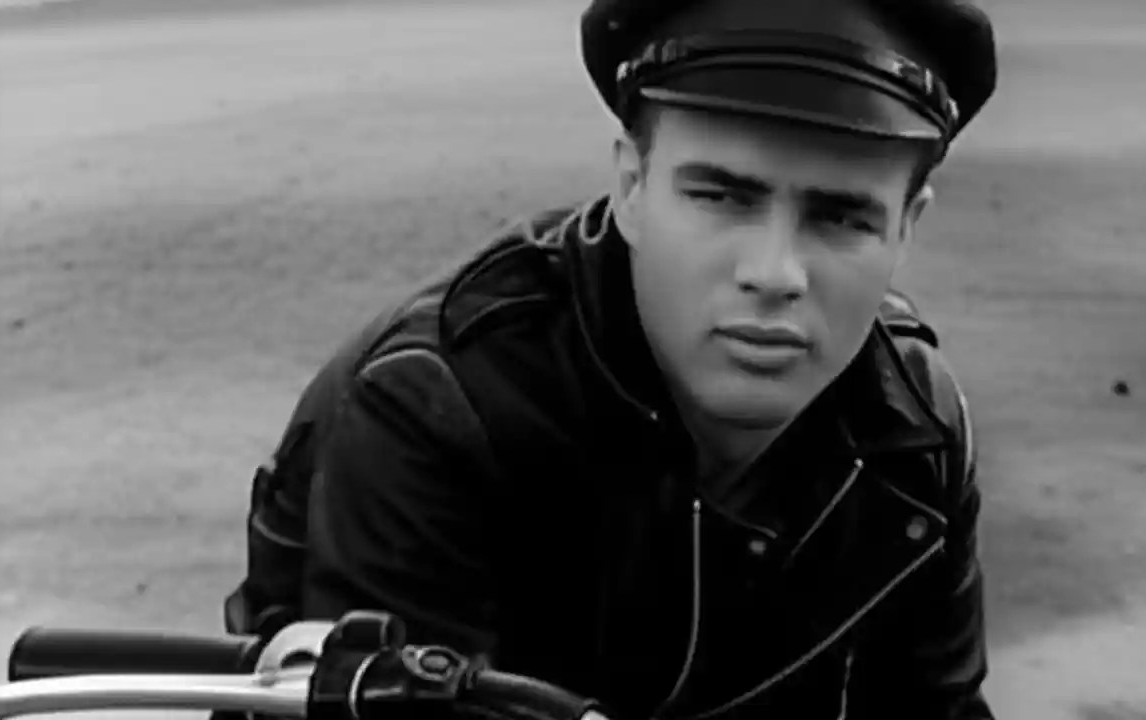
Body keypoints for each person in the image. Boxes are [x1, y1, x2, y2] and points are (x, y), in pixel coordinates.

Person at [223, 0, 999, 717]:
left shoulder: (915, 433)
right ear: (631, 186)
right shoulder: (447, 404)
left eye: (843, 218)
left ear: (907, 229)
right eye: (721, 196)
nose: (774, 272)